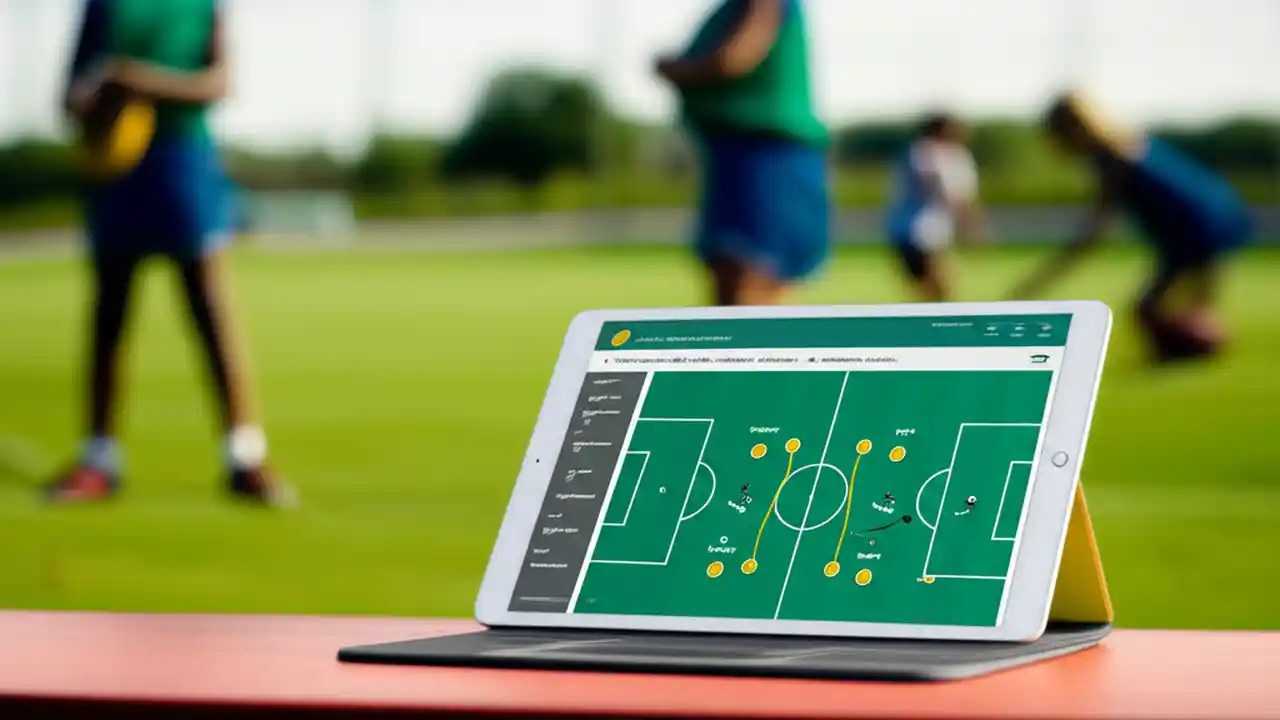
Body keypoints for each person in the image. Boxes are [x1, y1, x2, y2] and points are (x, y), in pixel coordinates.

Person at [47, 0, 293, 505]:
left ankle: (244, 456)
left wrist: (136, 79)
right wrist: (94, 100)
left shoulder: (203, 6)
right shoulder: (103, 4)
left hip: (184, 160)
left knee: (209, 309)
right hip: (116, 165)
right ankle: (99, 458)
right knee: (110, 312)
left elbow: (220, 83)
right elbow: (68, 96)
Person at [1013, 93, 1252, 361]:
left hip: (1194, 230)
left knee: (1152, 311)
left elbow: (1096, 230)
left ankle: (1198, 349)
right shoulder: (1132, 142)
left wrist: (1039, 282)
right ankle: (1192, 349)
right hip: (1217, 215)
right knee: (1160, 309)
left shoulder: (1114, 161)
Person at [655, 0, 830, 306]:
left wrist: (675, 68)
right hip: (751, 155)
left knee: (746, 283)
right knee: (741, 286)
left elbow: (734, 57)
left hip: (764, 158)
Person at [885, 114, 986, 302]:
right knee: (933, 287)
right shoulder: (925, 153)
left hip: (926, 230)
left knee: (934, 289)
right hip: (918, 230)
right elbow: (946, 190)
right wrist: (970, 224)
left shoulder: (954, 156)